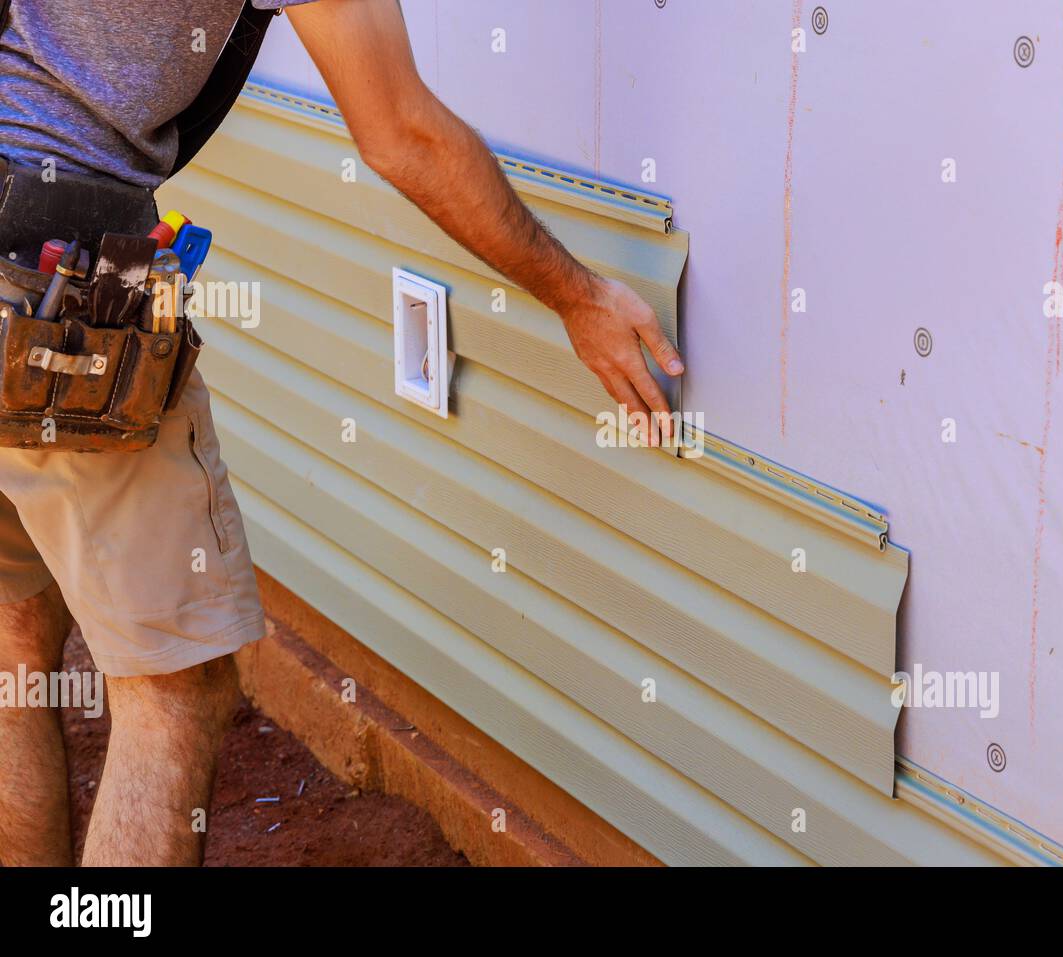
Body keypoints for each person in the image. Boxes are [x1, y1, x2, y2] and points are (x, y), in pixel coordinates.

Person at [0, 0, 682, 867]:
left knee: (15, 640)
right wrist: (579, 297)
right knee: (175, 694)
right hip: (54, 284)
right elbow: (401, 132)